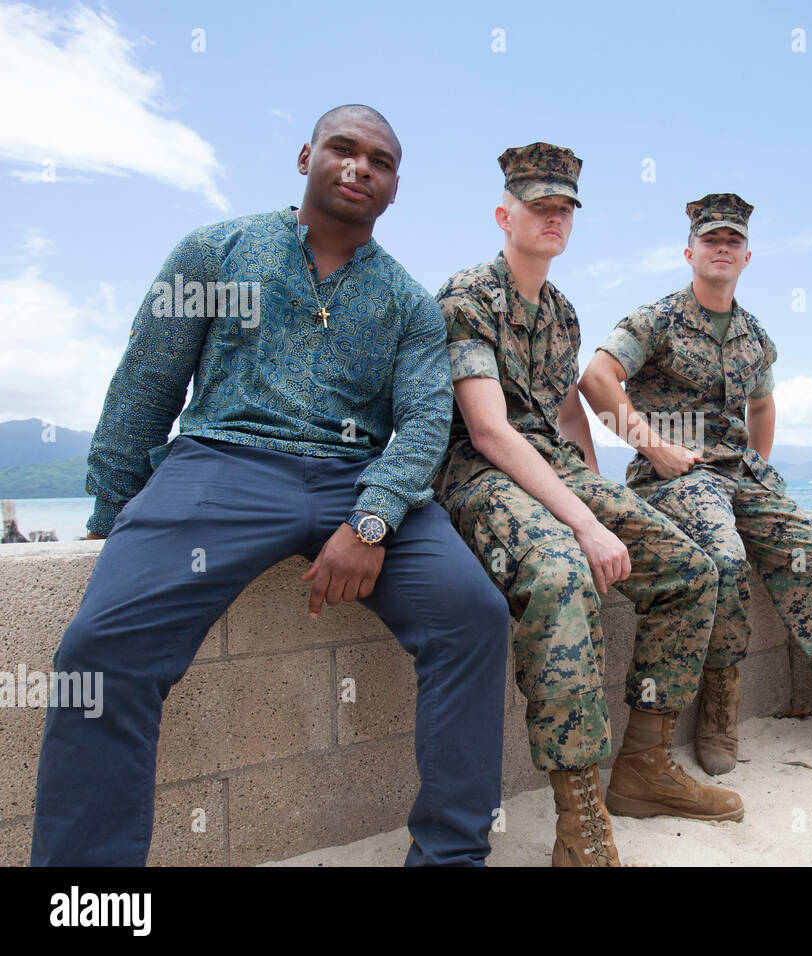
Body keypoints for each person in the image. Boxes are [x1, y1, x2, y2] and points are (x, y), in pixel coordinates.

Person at [31, 105, 510, 867]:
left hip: (359, 479)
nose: (358, 168)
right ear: (304, 158)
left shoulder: (411, 303)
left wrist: (374, 520)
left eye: (378, 161)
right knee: (99, 650)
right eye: (342, 150)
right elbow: (145, 387)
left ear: (394, 188)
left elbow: (423, 427)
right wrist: (113, 511)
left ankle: (452, 858)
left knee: (474, 616)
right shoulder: (216, 250)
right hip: (221, 466)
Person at [433, 144, 742, 868]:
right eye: (539, 205)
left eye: (564, 207)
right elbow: (488, 429)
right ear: (505, 213)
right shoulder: (467, 296)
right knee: (563, 572)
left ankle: (642, 767)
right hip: (482, 475)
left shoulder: (562, 311)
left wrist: (601, 501)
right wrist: (585, 523)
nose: (553, 217)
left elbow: (569, 420)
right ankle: (582, 825)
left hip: (555, 471)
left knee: (691, 570)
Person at [580, 193, 812, 780]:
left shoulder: (753, 335)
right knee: (727, 561)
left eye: (732, 241)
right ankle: (719, 707)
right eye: (711, 240)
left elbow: (763, 405)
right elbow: (596, 379)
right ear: (689, 252)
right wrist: (652, 445)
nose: (721, 248)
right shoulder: (656, 320)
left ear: (746, 256)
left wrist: (755, 475)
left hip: (737, 473)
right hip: (678, 475)